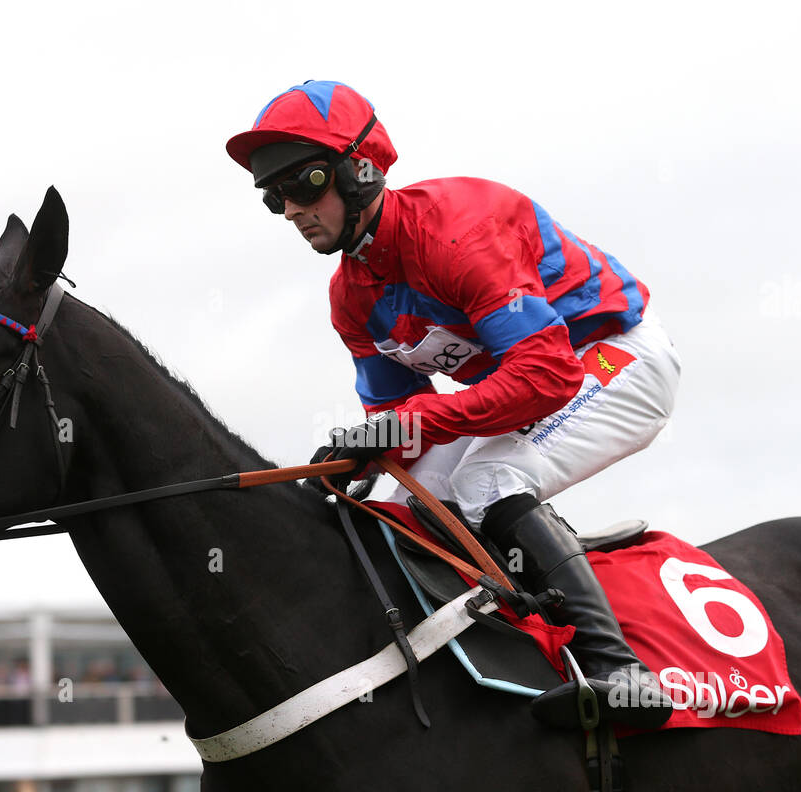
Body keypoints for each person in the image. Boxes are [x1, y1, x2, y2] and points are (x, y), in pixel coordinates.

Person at [226, 81, 678, 729]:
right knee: (398, 507)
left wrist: (396, 428)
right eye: (275, 197)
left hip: (615, 356)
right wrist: (361, 458)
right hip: (538, 381)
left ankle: (622, 673)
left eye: (306, 182)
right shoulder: (351, 296)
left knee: (488, 478)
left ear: (362, 169)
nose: (293, 209)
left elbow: (545, 376)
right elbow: (404, 422)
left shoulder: (457, 233)